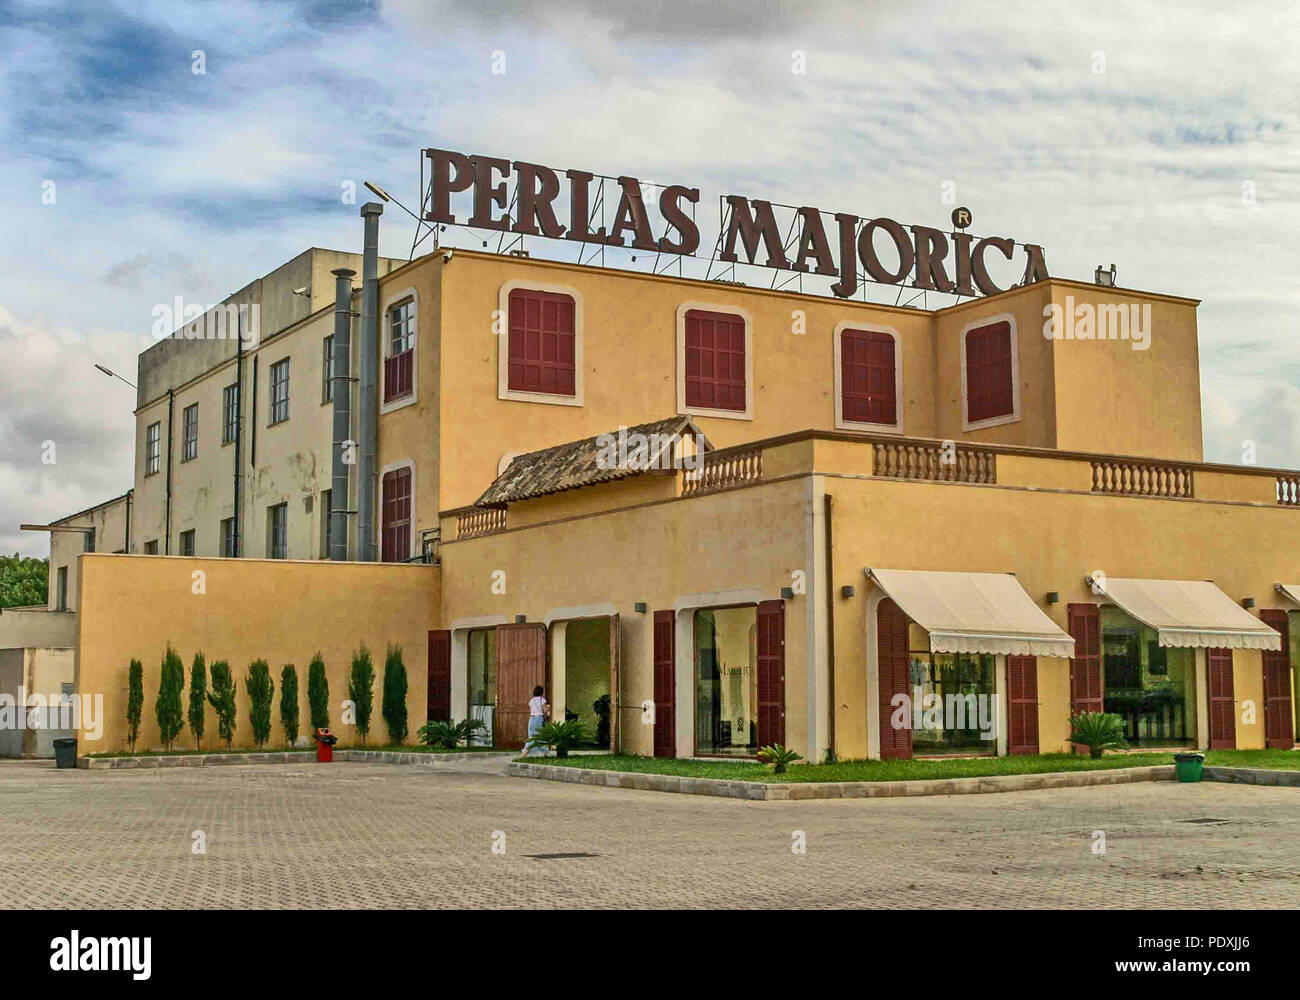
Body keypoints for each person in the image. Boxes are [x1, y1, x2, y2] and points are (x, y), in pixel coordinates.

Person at [523, 685, 550, 757]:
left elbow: (531, 710)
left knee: (531, 737)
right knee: (541, 736)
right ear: (542, 692)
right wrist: (548, 708)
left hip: (531, 719)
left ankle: (524, 753)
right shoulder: (542, 700)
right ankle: (545, 753)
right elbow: (545, 710)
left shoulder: (531, 701)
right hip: (539, 719)